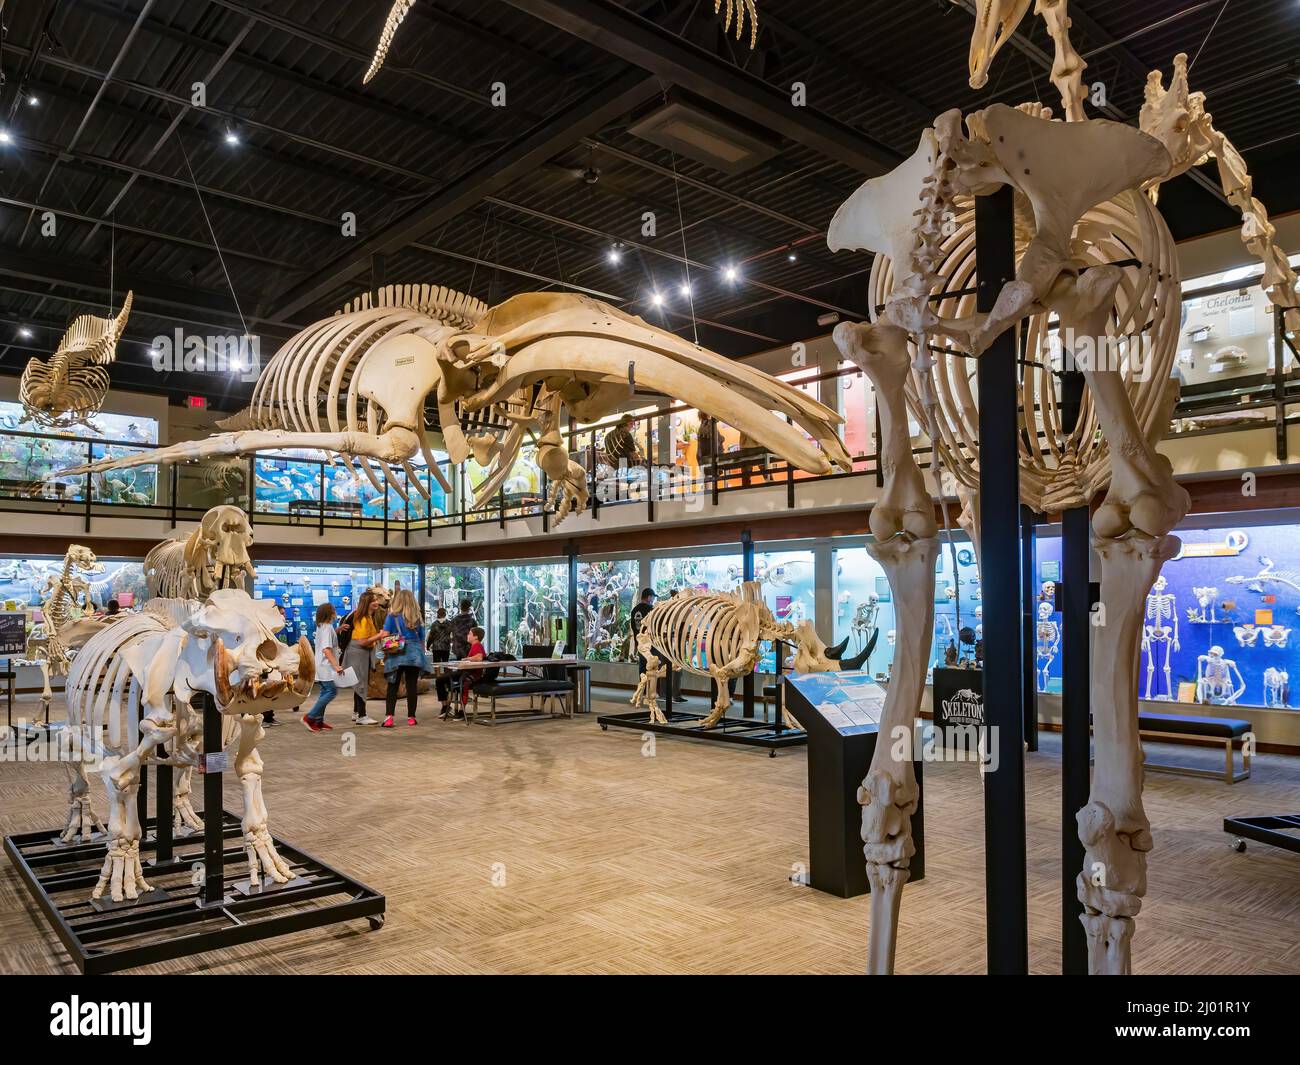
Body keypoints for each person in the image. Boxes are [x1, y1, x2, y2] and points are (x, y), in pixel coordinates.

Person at [380, 588, 427, 728]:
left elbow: (385, 635)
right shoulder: (417, 618)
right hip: (414, 654)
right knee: (411, 685)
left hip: (396, 653)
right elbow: (422, 639)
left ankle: (389, 717)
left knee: (392, 686)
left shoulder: (391, 617)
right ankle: (411, 717)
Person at [339, 588, 383, 725]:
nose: (376, 602)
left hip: (359, 653)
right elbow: (363, 641)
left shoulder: (366, 617)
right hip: (358, 653)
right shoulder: (363, 619)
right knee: (361, 683)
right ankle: (362, 716)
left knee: (359, 682)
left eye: (376, 600)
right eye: (373, 601)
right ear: (366, 603)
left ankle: (356, 712)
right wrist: (380, 635)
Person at [303, 602, 341, 732]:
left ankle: (318, 721)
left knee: (325, 691)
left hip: (323, 665)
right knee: (331, 691)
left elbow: (325, 641)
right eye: (334, 610)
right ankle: (310, 717)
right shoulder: (326, 628)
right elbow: (326, 649)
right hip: (326, 666)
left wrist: (337, 631)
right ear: (330, 613)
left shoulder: (323, 627)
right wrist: (336, 665)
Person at [426, 607, 454, 718]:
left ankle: (439, 681)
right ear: (445, 614)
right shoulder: (449, 624)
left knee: (437, 665)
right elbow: (452, 636)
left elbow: (431, 637)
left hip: (437, 647)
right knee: (446, 665)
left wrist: (428, 645)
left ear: (438, 614)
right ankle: (446, 680)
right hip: (446, 648)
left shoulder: (434, 624)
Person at [458, 625, 488, 709]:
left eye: (469, 634)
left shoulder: (476, 645)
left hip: (475, 675)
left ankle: (461, 709)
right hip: (473, 673)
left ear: (476, 637)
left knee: (462, 682)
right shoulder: (476, 645)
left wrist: (466, 659)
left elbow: (479, 657)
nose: (467, 635)